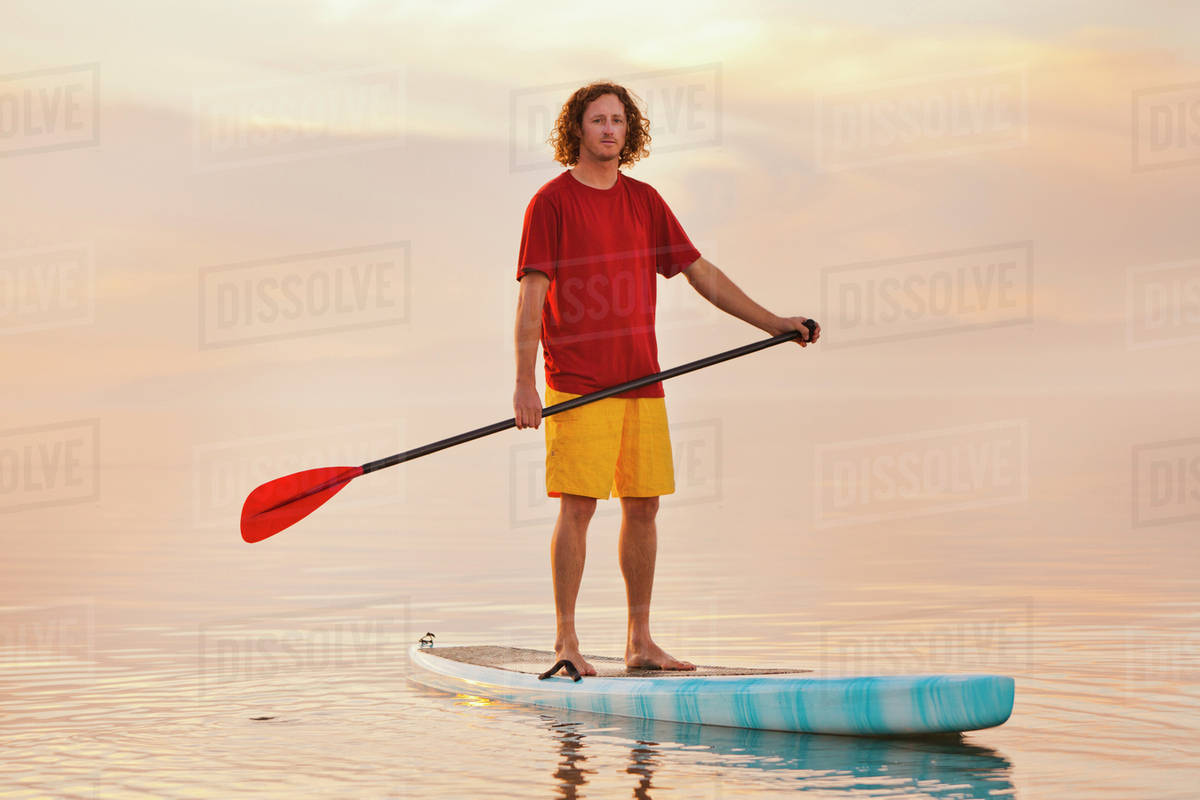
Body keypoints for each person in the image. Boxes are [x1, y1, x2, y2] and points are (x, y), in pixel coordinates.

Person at [513, 81, 819, 675]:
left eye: (619, 121)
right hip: (579, 383)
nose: (609, 129)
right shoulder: (550, 203)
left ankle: (639, 642)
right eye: (597, 120)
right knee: (578, 508)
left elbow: (700, 272)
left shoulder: (645, 201)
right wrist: (525, 385)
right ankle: (566, 643)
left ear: (630, 133)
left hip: (643, 381)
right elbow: (530, 303)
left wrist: (772, 323)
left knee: (644, 507)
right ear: (576, 128)